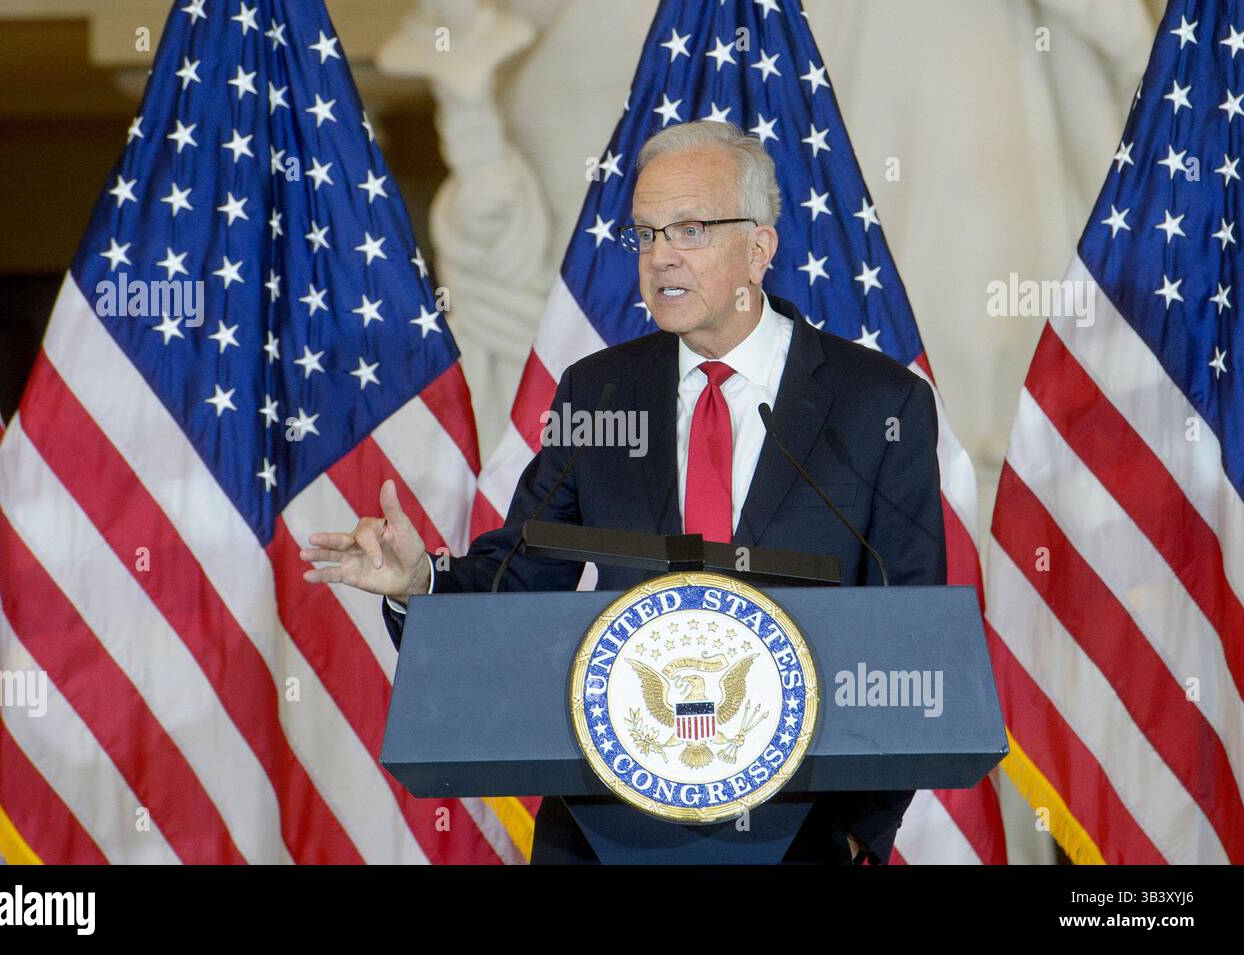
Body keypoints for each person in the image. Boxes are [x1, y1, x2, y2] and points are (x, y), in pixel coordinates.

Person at [301, 120, 946, 864]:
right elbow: (520, 574)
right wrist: (420, 582)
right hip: (606, 828)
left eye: (690, 229)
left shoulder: (877, 405)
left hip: (797, 830)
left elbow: (911, 625)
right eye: (644, 234)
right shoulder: (601, 394)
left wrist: (861, 827)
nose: (660, 255)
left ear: (760, 248)